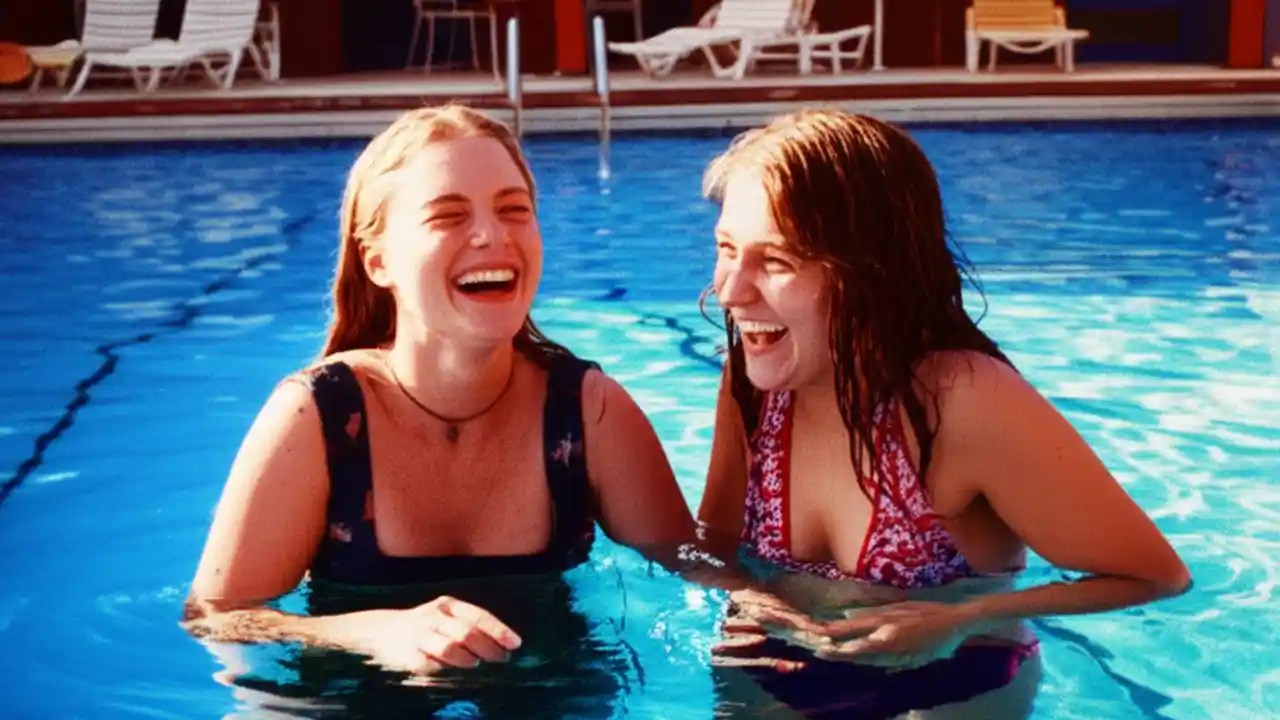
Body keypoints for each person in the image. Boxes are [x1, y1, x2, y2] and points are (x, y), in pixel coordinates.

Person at [697, 109, 1191, 718]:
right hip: (770, 671)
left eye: (775, 261)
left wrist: (960, 616)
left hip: (952, 681)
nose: (730, 290)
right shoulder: (754, 381)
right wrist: (748, 595)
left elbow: (1156, 575)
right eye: (726, 249)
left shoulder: (962, 398)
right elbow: (711, 545)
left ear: (871, 270)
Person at [182, 105, 695, 679]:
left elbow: (699, 571)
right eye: (448, 216)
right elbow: (215, 616)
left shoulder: (588, 411)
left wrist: (778, 612)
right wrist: (369, 630)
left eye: (514, 210)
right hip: (355, 697)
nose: (492, 235)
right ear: (378, 261)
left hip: (549, 688)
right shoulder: (320, 417)